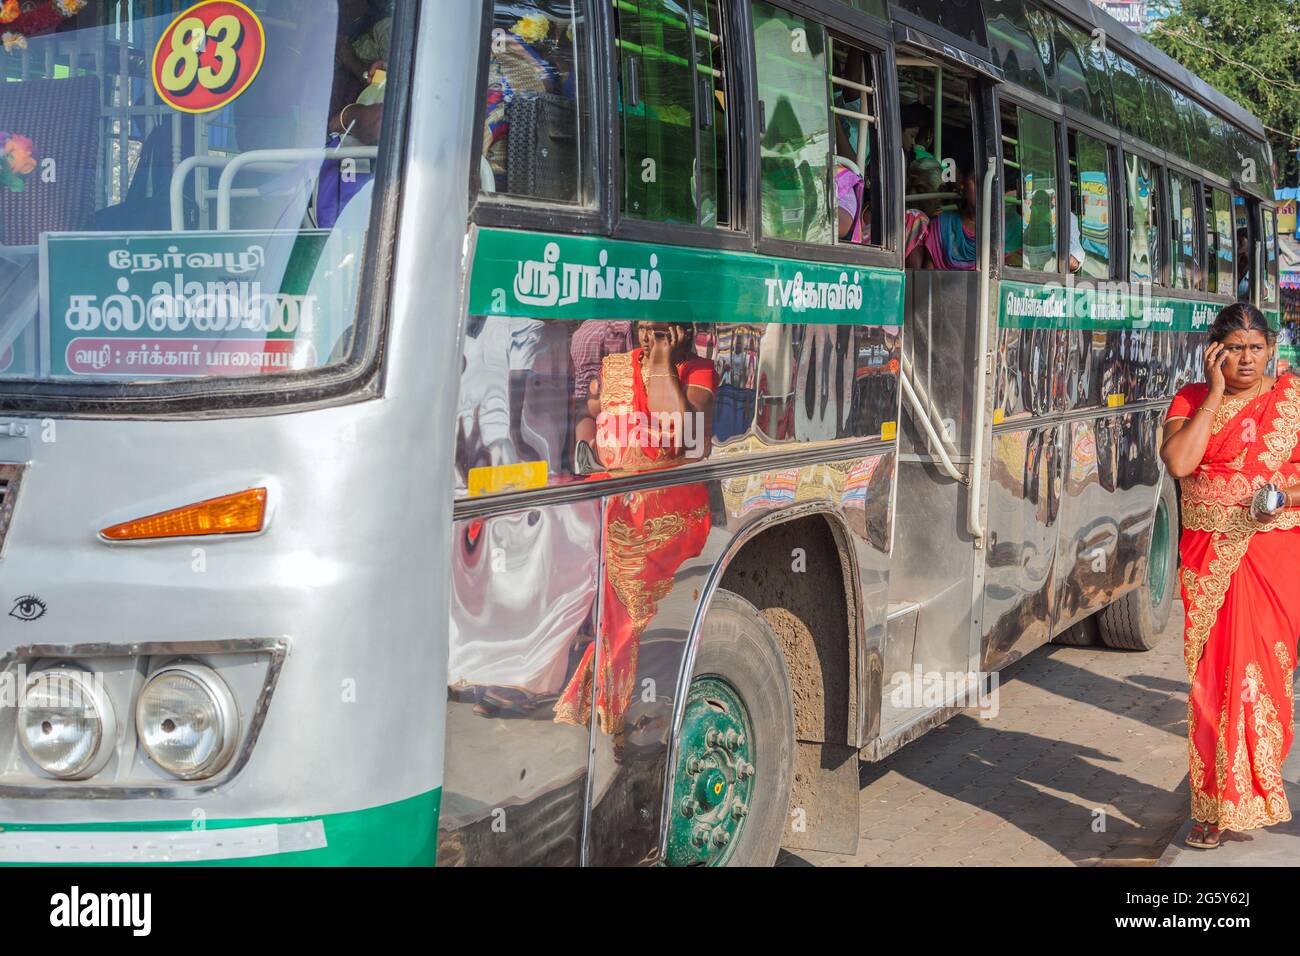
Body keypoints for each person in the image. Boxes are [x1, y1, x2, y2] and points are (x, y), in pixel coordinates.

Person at [1160, 303, 1300, 848]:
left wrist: (1281, 494)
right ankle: (1210, 806)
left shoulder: (1291, 402)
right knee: (1212, 682)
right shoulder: (1192, 399)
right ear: (1215, 351)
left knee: (1261, 674)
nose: (1247, 359)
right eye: (1235, 348)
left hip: (1272, 549)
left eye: (1256, 348)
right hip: (1207, 556)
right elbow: (1178, 463)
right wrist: (1215, 394)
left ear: (1272, 348)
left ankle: (1256, 788)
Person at [557, 323, 717, 754]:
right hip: (620, 513)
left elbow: (688, 440)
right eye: (644, 329)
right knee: (618, 619)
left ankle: (648, 717)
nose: (649, 338)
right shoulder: (614, 368)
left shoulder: (697, 371)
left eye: (660, 330)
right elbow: (588, 413)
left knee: (651, 622)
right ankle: (619, 712)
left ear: (682, 330)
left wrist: (663, 363)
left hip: (670, 521)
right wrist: (586, 443)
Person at [923, 165, 978, 270]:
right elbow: (929, 273)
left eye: (989, 182)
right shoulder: (942, 223)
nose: (983, 188)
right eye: (975, 179)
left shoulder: (1001, 230)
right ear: (962, 182)